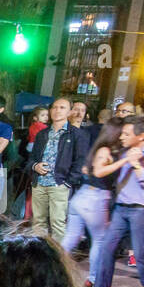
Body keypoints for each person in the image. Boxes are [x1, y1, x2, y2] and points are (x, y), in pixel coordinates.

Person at [89, 115, 144, 287]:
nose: (122, 137)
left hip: (142, 209)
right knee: (107, 248)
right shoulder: (125, 151)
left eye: (127, 134)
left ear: (141, 135)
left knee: (142, 253)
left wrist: (135, 164)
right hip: (121, 208)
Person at [61, 120, 123, 287]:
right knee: (99, 240)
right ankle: (94, 278)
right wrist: (121, 163)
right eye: (123, 132)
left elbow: (86, 170)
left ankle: (52, 267)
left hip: (82, 196)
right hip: (94, 198)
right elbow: (98, 171)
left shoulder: (98, 148)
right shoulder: (106, 150)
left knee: (71, 237)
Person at [27, 97, 86, 241]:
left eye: (62, 108)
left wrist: (67, 182)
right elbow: (31, 158)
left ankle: (59, 258)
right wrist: (35, 166)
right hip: (39, 182)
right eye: (54, 107)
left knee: (58, 223)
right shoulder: (42, 134)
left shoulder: (77, 134)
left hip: (60, 184)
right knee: (38, 222)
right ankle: (39, 254)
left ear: (70, 112)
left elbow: (81, 161)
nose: (57, 110)